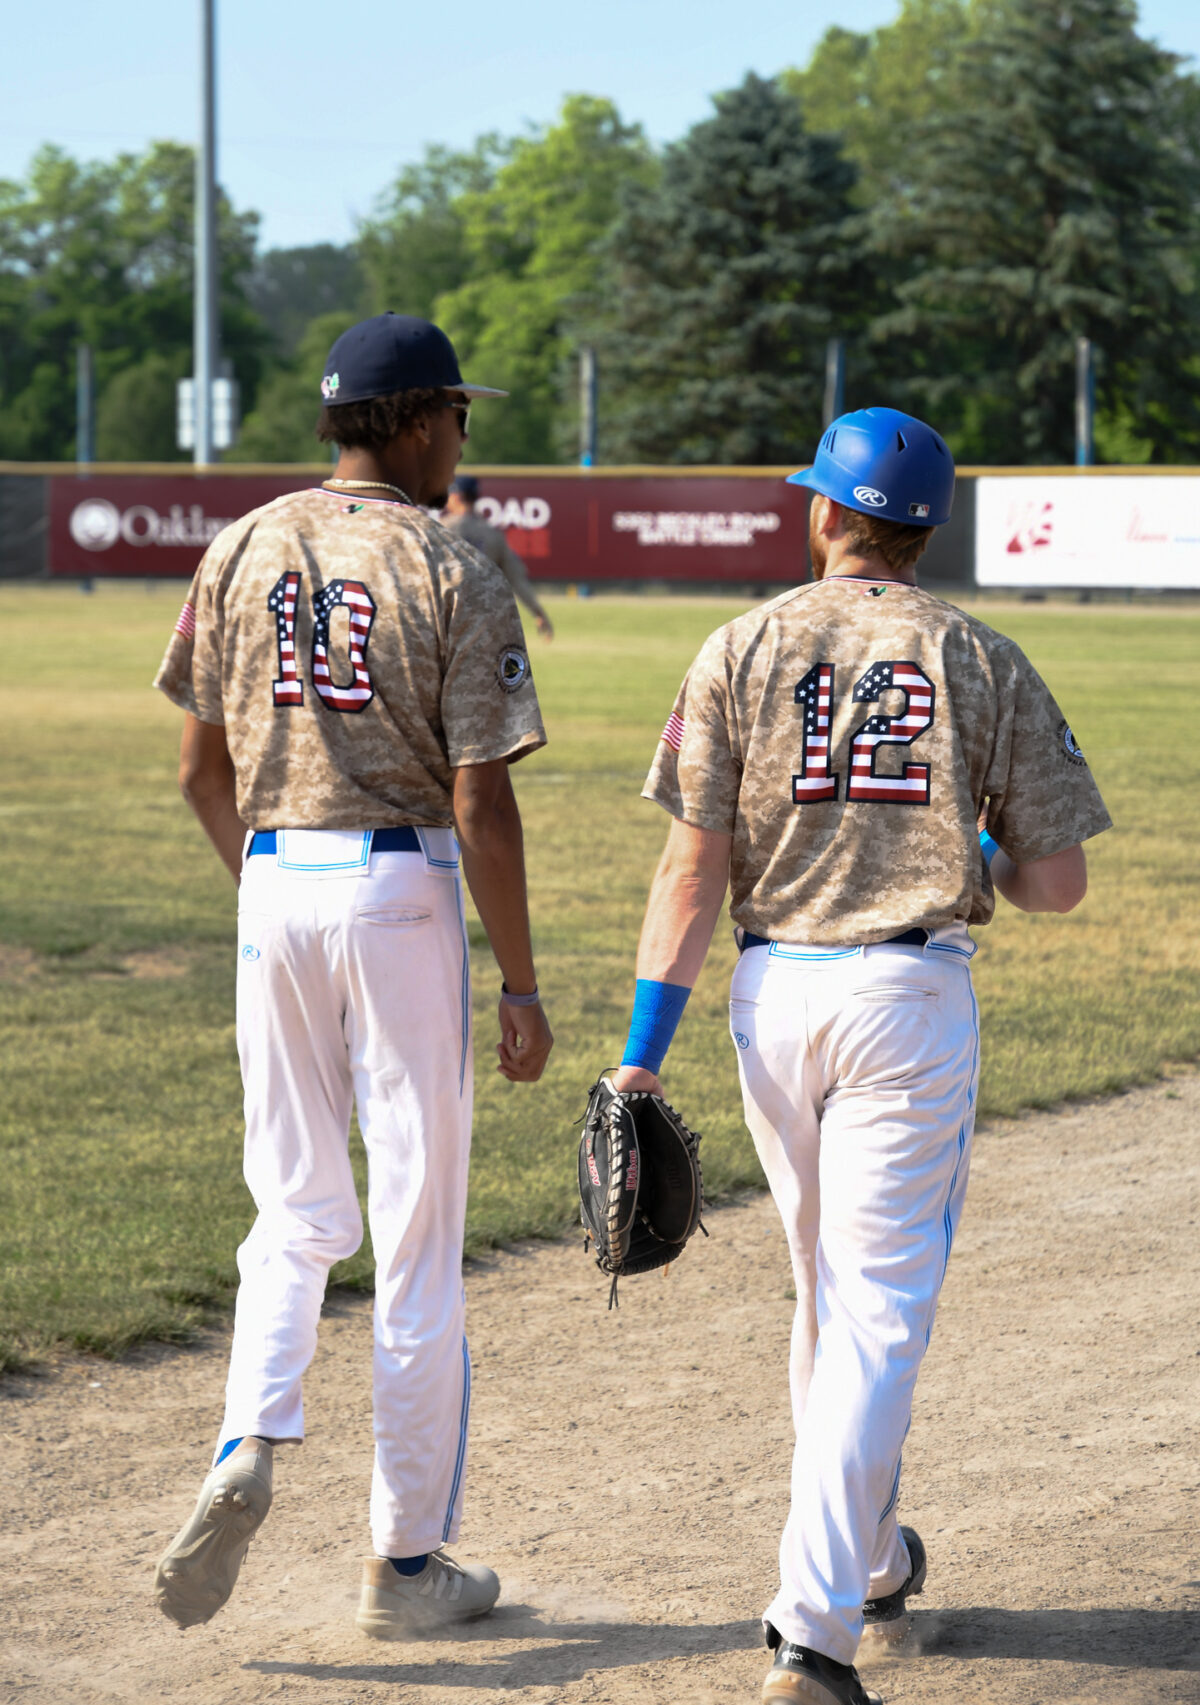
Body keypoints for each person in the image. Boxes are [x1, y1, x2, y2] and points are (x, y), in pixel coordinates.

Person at [609, 408, 1111, 1705]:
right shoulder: (980, 653)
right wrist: (973, 851)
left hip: (773, 995)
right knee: (875, 1319)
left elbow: (691, 870)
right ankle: (813, 1639)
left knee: (829, 1308)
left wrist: (640, 1061)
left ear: (823, 514)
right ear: (926, 528)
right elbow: (1056, 879)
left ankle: (874, 1562)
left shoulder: (742, 644)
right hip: (908, 996)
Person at [150, 312, 554, 1640]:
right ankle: (407, 1562)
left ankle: (246, 1437)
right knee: (419, 1230)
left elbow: (199, 774)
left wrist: (272, 892)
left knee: (294, 1200)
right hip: (400, 883)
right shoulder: (451, 556)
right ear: (418, 418)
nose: (464, 436)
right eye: (458, 411)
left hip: (275, 876)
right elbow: (481, 802)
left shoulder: (242, 543)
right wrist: (522, 981)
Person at [441, 474, 555, 639]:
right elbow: (517, 580)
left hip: (444, 620)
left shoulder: (440, 529)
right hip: (483, 623)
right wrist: (538, 613)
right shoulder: (492, 534)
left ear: (456, 496)